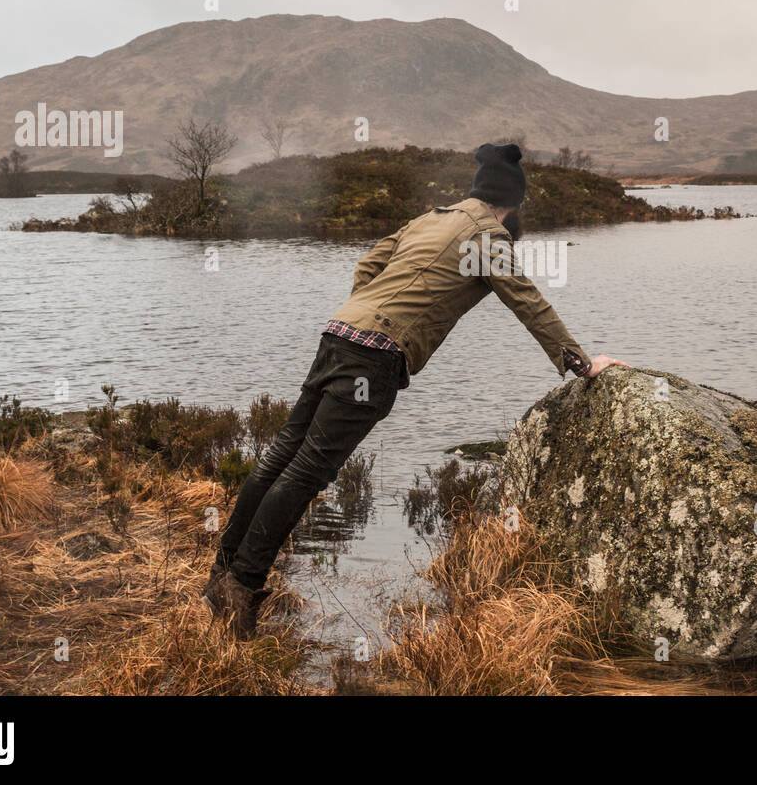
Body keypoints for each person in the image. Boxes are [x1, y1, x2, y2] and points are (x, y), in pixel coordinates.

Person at [203, 141, 628, 637]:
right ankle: (242, 587)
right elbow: (528, 303)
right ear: (512, 202)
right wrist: (580, 363)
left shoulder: (429, 219)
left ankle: (222, 574)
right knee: (305, 472)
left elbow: (367, 265)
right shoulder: (487, 236)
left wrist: (363, 313)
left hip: (338, 335)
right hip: (375, 356)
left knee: (280, 457)